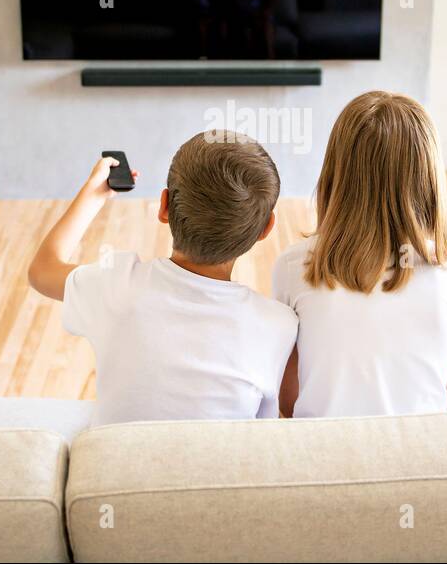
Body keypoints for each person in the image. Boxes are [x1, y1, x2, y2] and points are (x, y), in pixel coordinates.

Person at [28, 132, 296, 427]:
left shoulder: (115, 285)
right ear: (266, 228)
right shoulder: (278, 324)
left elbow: (42, 271)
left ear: (164, 205)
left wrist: (93, 196)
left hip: (111, 467)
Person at [272, 91, 447, 418]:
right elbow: (443, 400)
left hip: (321, 456)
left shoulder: (295, 267)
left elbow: (288, 402)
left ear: (335, 173)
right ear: (429, 180)